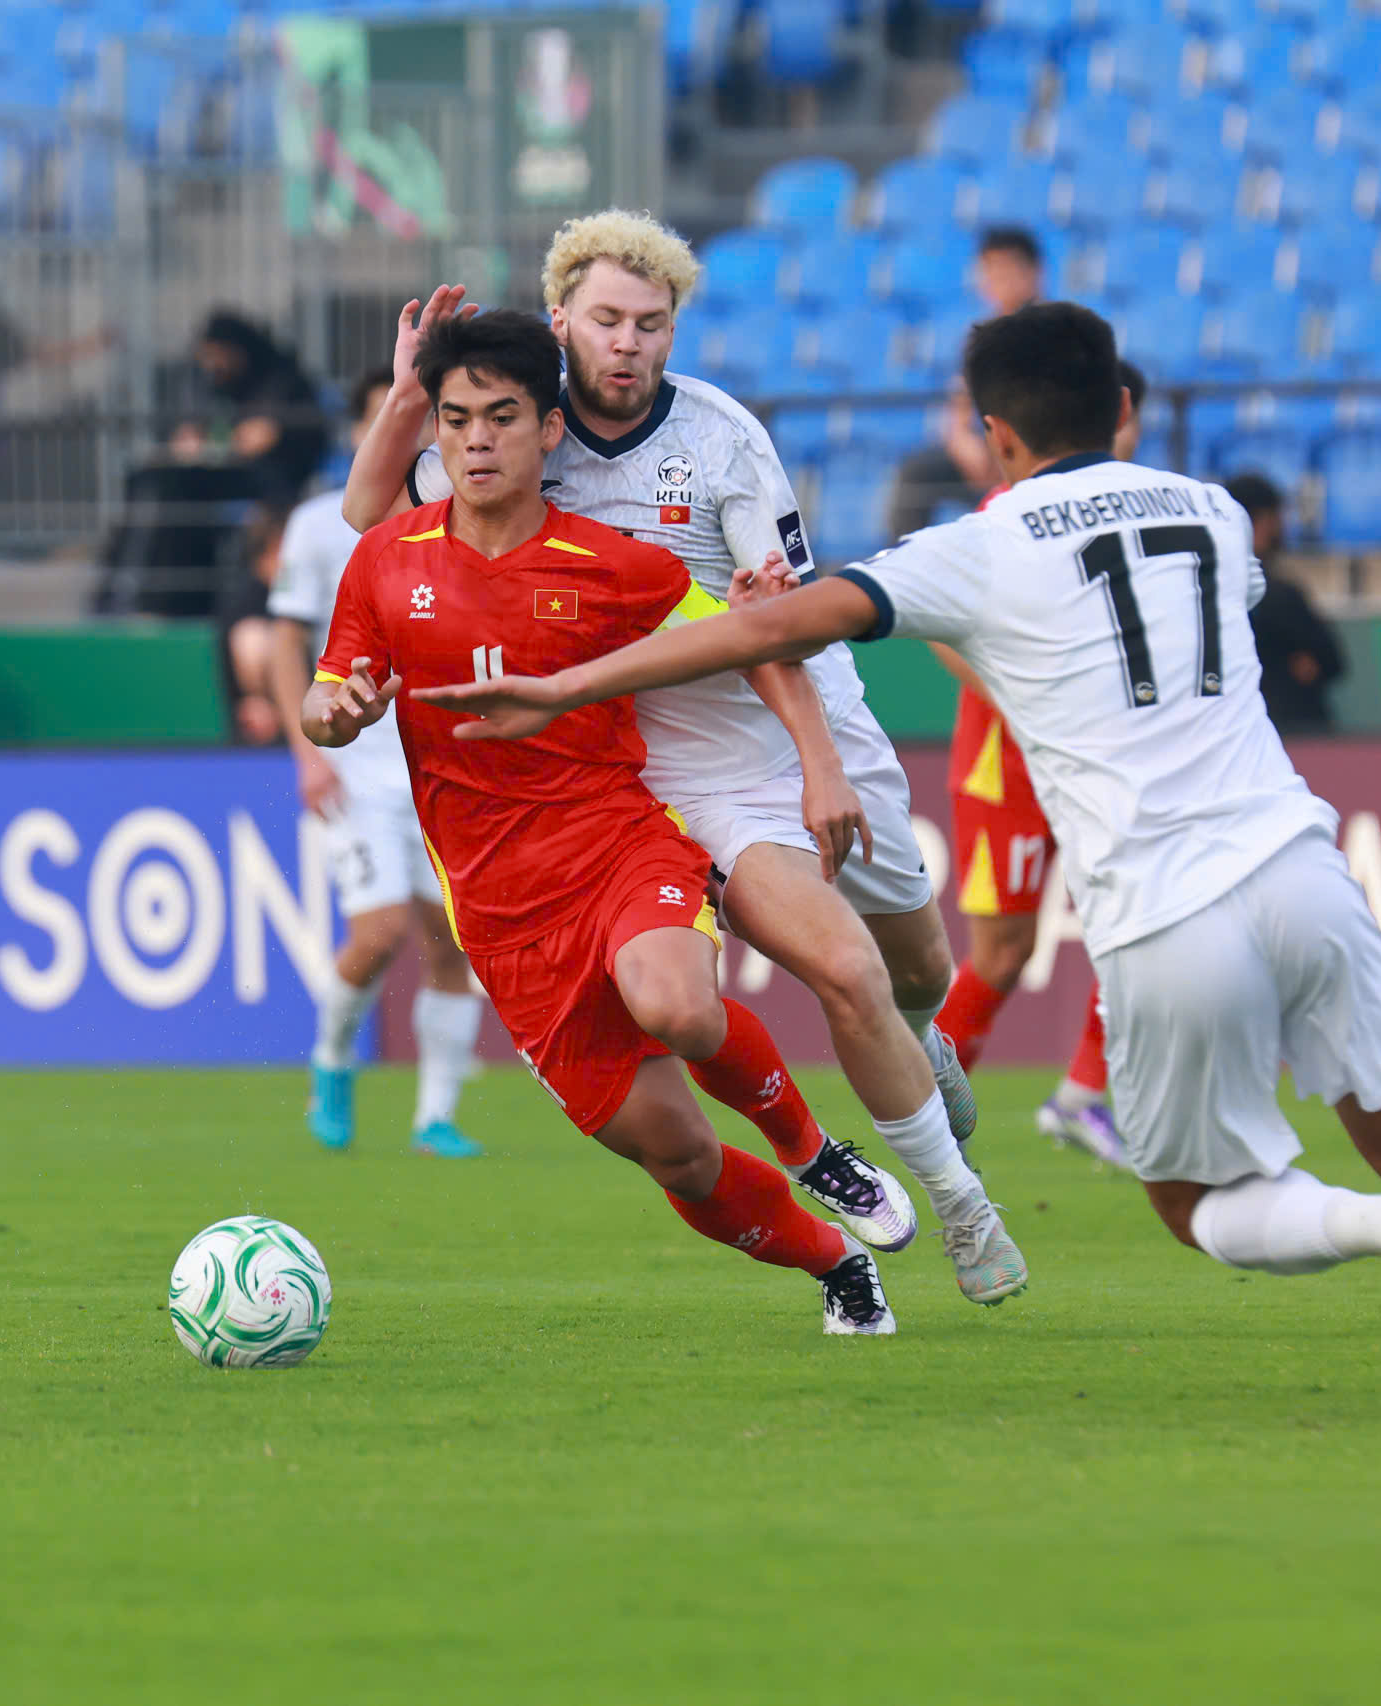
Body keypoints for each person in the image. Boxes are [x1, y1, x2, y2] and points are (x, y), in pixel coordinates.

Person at [425, 301, 1381, 1415]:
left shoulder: (980, 543)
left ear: (991, 435)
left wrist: (572, 681)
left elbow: (772, 621)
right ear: (1124, 408)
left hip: (1165, 909)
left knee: (1199, 1206)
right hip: (1301, 863)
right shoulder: (1216, 510)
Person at [341, 214, 1021, 1307]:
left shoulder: (721, 440)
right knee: (836, 970)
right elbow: (373, 522)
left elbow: (781, 626)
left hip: (800, 704)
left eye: (650, 325)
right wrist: (411, 396)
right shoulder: (520, 425)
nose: (627, 343)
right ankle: (958, 1208)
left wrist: (821, 762)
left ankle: (918, 1043)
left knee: (915, 973)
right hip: (679, 756)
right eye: (606, 320)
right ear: (563, 320)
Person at [927, 360, 1148, 1169]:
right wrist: (1019, 693)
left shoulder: (1146, 512)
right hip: (1007, 769)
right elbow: (941, 625)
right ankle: (925, 1114)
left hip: (1098, 766)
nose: (1118, 440)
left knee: (1137, 929)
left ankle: (1085, 1096)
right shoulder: (1007, 517)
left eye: (1126, 426)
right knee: (1002, 955)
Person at [263, 367, 483, 1159]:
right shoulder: (322, 525)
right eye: (389, 416)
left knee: (451, 939)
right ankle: (331, 1062)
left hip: (442, 763)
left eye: (424, 418)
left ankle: (437, 1115)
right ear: (364, 429)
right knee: (380, 928)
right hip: (358, 764)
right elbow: (287, 641)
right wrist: (306, 748)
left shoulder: (460, 519)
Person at [888, 226, 1045, 538]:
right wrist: (963, 442)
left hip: (1036, 452)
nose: (997, 279)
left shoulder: (1055, 332)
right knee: (917, 472)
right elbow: (959, 403)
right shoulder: (981, 335)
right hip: (988, 451)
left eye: (1007, 268)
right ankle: (902, 569)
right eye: (990, 269)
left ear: (1033, 274)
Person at [1226, 472, 1347, 736]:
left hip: (1235, 735)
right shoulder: (1281, 595)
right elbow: (1332, 661)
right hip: (1297, 732)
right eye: (1276, 517)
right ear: (1260, 522)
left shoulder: (1205, 591)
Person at [195, 309, 329, 509]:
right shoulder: (217, 385)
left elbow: (263, 437)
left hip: (278, 478)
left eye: (217, 355)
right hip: (230, 473)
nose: (211, 365)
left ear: (236, 351)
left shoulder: (282, 381)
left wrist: (210, 443)